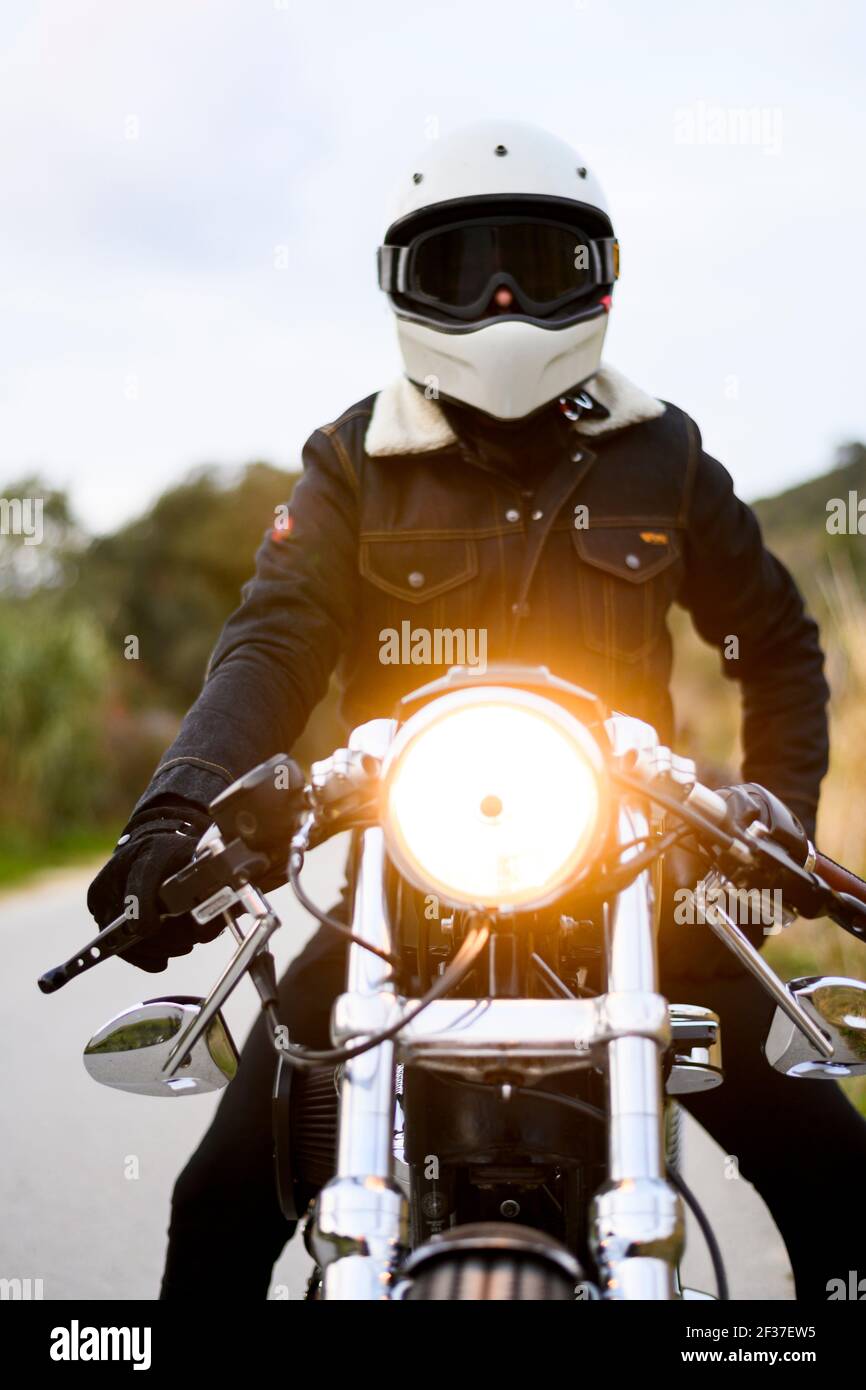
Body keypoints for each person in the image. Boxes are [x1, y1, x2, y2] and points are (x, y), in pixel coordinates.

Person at [88, 119, 865, 1300]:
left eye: (537, 266)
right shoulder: (352, 460)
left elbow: (771, 640)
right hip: (395, 903)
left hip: (635, 887)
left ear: (598, 276)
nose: (502, 299)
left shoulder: (665, 457)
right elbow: (272, 639)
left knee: (840, 1179)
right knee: (212, 1207)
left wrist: (772, 830)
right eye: (464, 268)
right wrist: (174, 809)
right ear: (404, 281)